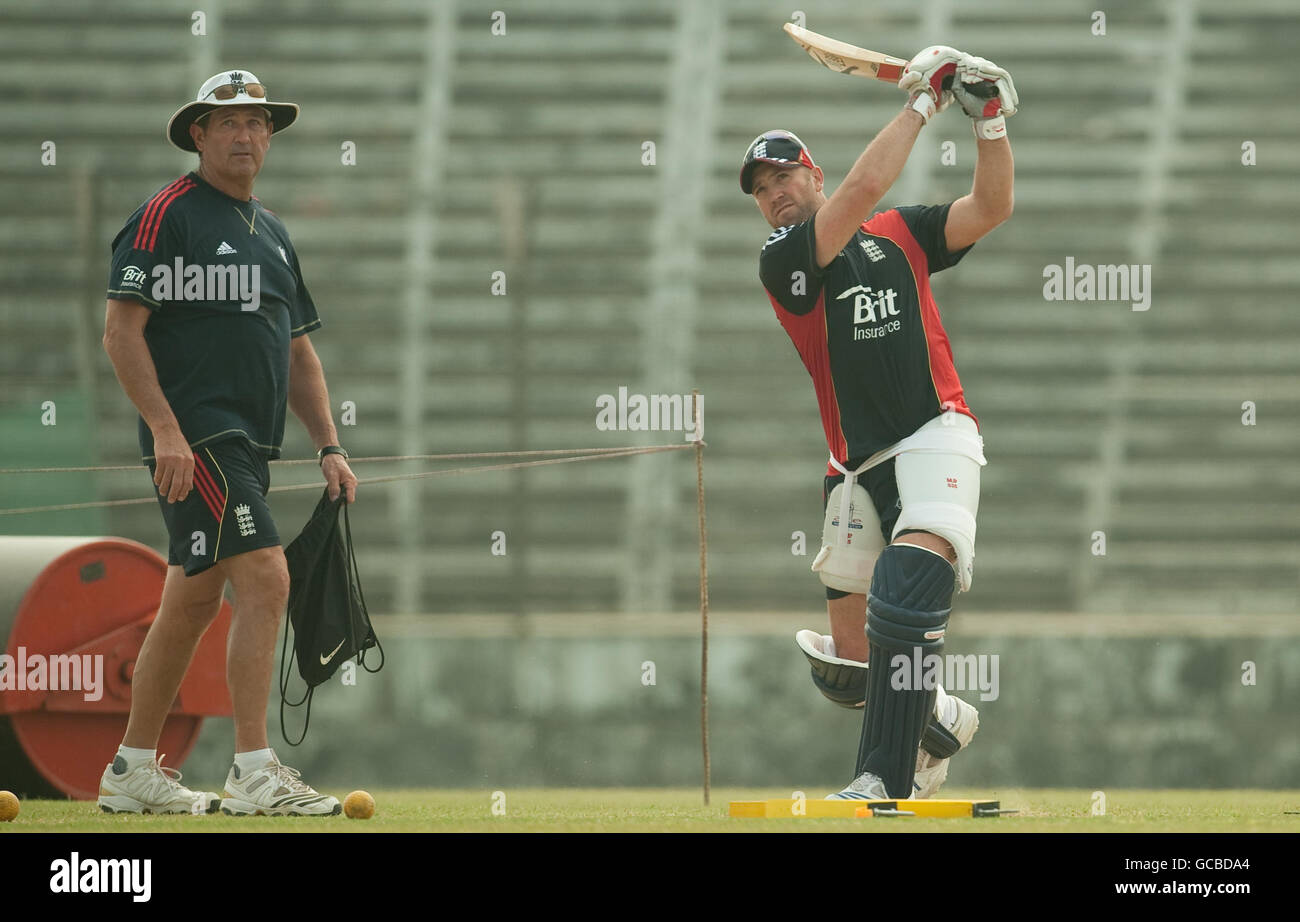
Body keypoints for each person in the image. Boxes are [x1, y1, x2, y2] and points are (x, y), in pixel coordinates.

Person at [742, 48, 1017, 800]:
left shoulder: (900, 232)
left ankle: (881, 781)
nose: (775, 196)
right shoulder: (787, 261)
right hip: (854, 465)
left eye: (785, 178)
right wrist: (924, 103)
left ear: (813, 174)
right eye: (761, 190)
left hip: (935, 435)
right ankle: (939, 718)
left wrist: (989, 122)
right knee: (849, 666)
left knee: (904, 595)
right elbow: (865, 184)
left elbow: (989, 209)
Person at [98, 70, 357, 815]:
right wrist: (166, 430)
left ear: (269, 138)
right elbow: (121, 332)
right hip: (196, 439)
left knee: (193, 602)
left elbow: (298, 352)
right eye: (229, 123)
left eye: (258, 123)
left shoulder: (272, 231)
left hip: (249, 445)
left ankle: (131, 772)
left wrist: (329, 446)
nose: (246, 134)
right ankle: (252, 770)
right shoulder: (166, 216)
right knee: (268, 578)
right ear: (199, 136)